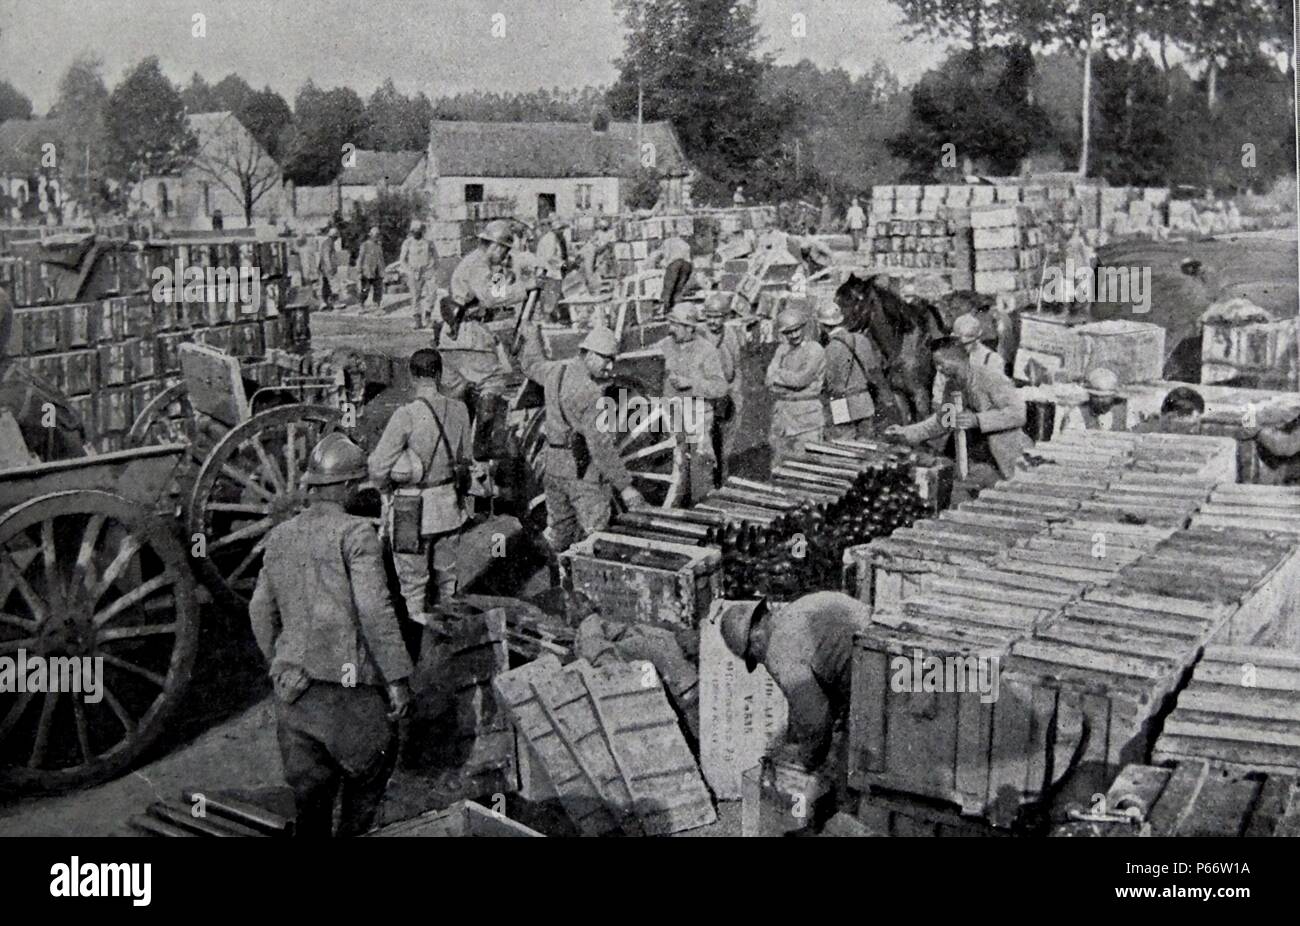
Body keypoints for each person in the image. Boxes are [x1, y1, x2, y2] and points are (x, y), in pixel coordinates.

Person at [249, 433, 414, 837]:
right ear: (343, 488)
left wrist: (281, 659)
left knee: (311, 808)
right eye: (358, 484)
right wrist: (397, 680)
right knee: (368, 781)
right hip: (347, 697)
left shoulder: (281, 535)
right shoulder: (356, 534)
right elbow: (375, 611)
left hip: (294, 697)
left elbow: (258, 609)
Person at [519, 320, 648, 565]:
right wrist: (626, 487)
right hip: (583, 475)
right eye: (605, 359)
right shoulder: (590, 393)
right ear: (587, 354)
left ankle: (558, 583)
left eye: (612, 360)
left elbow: (531, 365)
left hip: (553, 468)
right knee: (597, 538)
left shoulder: (556, 371)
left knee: (559, 532)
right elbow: (600, 449)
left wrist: (532, 333)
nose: (610, 367)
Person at [367, 349, 471, 635]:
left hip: (412, 513)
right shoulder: (459, 410)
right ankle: (450, 636)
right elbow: (466, 458)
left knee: (413, 590)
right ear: (439, 374)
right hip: (450, 508)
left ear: (412, 376)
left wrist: (385, 488)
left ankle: (419, 639)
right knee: (447, 582)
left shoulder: (406, 415)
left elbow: (378, 466)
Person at [718, 592, 873, 772]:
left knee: (847, 775)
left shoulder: (778, 650)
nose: (760, 662)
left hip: (871, 679)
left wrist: (806, 762)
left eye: (753, 658)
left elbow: (814, 718)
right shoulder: (795, 610)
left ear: (755, 641)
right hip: (880, 655)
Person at [886, 336, 1031, 484]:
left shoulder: (992, 377)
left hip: (1006, 459)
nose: (939, 369)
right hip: (977, 460)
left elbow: (1018, 414)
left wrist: (978, 420)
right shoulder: (952, 385)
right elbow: (943, 422)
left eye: (940, 364)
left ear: (955, 359)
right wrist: (906, 432)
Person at [440, 219, 533, 434]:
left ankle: (459, 447)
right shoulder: (477, 264)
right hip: (468, 336)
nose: (505, 255)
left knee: (456, 400)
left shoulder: (487, 265)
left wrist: (504, 273)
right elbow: (491, 299)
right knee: (494, 382)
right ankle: (484, 445)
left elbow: (499, 299)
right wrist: (524, 288)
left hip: (455, 338)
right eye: (504, 250)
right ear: (495, 245)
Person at [652, 303, 730, 485]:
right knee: (672, 471)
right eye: (670, 323)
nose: (671, 329)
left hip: (697, 416)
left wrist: (691, 384)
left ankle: (703, 505)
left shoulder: (706, 350)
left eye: (676, 325)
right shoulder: (662, 347)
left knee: (700, 468)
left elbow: (720, 387)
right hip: (669, 418)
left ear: (689, 328)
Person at [766, 306, 826, 468]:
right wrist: (783, 379)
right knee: (780, 466)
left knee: (808, 466)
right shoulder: (781, 350)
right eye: (788, 332)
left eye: (796, 330)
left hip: (807, 417)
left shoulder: (814, 349)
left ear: (803, 328)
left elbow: (801, 379)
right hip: (783, 418)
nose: (794, 335)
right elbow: (768, 380)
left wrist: (779, 375)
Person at [820, 301, 886, 440]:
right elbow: (872, 368)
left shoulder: (829, 349)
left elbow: (829, 383)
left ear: (823, 326)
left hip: (841, 403)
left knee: (844, 447)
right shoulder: (862, 340)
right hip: (864, 400)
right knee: (867, 445)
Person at [702, 292, 745, 475]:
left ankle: (723, 475)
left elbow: (736, 366)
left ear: (725, 317)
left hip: (727, 394)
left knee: (726, 441)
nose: (712, 322)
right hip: (706, 396)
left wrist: (735, 393)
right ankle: (708, 481)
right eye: (709, 317)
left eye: (717, 317)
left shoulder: (731, 336)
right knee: (705, 444)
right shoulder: (699, 335)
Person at [931, 313, 1003, 410]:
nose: (965, 347)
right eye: (960, 343)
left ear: (979, 336)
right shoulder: (947, 358)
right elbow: (938, 392)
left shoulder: (992, 359)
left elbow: (997, 395)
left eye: (969, 342)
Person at [1057, 368, 1128, 434]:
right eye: (1095, 396)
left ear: (1113, 396)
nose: (1100, 400)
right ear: (1090, 395)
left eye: (1105, 397)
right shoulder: (1077, 412)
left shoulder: (1126, 411)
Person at [399, 219, 435, 329]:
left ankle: (428, 318)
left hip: (426, 270)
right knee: (415, 296)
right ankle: (417, 320)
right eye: (414, 230)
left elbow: (435, 257)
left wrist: (430, 267)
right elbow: (402, 260)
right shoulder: (408, 243)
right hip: (413, 271)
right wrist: (409, 270)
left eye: (419, 230)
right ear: (412, 231)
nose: (417, 232)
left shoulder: (428, 242)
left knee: (432, 293)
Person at [534, 217, 569, 320]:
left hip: (553, 272)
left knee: (555, 296)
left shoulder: (555, 238)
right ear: (556, 229)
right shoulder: (550, 239)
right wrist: (563, 264)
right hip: (549, 272)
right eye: (561, 229)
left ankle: (554, 317)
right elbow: (550, 257)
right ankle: (548, 319)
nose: (562, 231)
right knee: (550, 297)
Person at [650, 233, 694, 309]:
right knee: (678, 289)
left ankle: (665, 309)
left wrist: (660, 264)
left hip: (675, 264)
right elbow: (689, 259)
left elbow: (665, 257)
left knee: (668, 289)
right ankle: (677, 309)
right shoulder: (685, 244)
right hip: (687, 265)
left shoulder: (667, 242)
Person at [357, 226, 385, 309]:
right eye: (375, 235)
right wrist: (359, 271)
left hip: (377, 271)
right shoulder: (365, 245)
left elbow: (381, 258)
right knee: (365, 289)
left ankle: (376, 306)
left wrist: (383, 270)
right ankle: (361, 305)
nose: (377, 237)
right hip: (367, 271)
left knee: (378, 289)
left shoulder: (378, 246)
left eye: (378, 235)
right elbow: (360, 258)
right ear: (371, 235)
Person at [315, 227, 340, 310]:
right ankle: (335, 303)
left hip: (324, 268)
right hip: (328, 268)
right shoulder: (328, 243)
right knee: (334, 286)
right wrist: (330, 267)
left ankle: (325, 303)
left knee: (325, 286)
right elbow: (326, 256)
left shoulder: (327, 243)